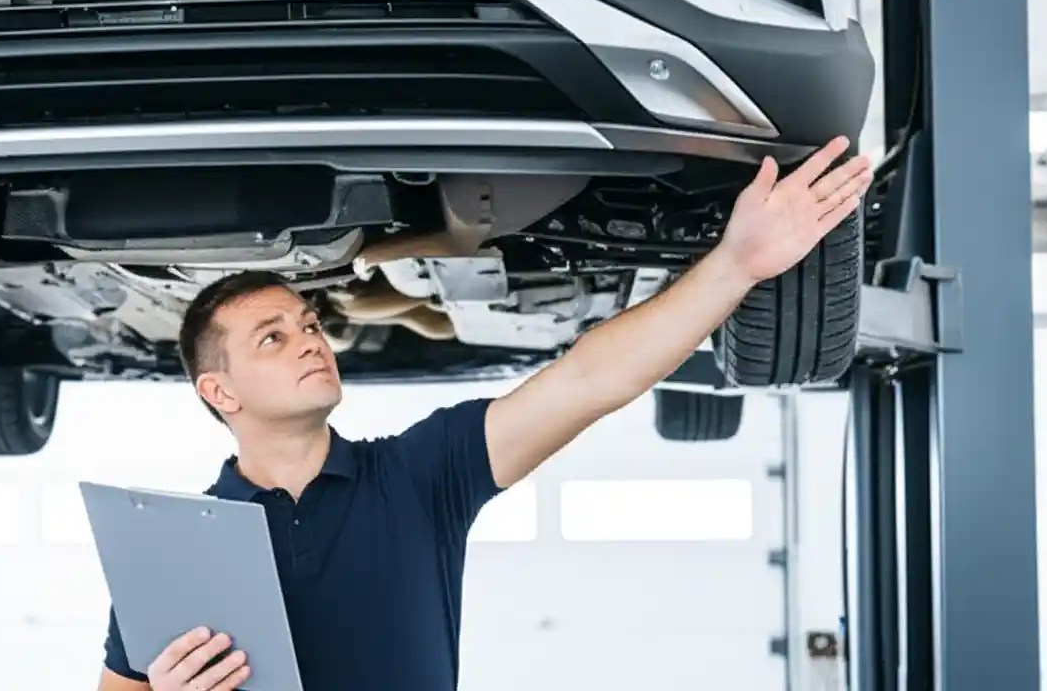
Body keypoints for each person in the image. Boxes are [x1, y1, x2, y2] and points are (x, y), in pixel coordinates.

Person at [96, 137, 872, 691]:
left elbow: (585, 383)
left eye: (308, 324)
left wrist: (736, 262)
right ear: (219, 392)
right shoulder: (172, 555)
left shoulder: (417, 475)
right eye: (274, 337)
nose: (310, 341)